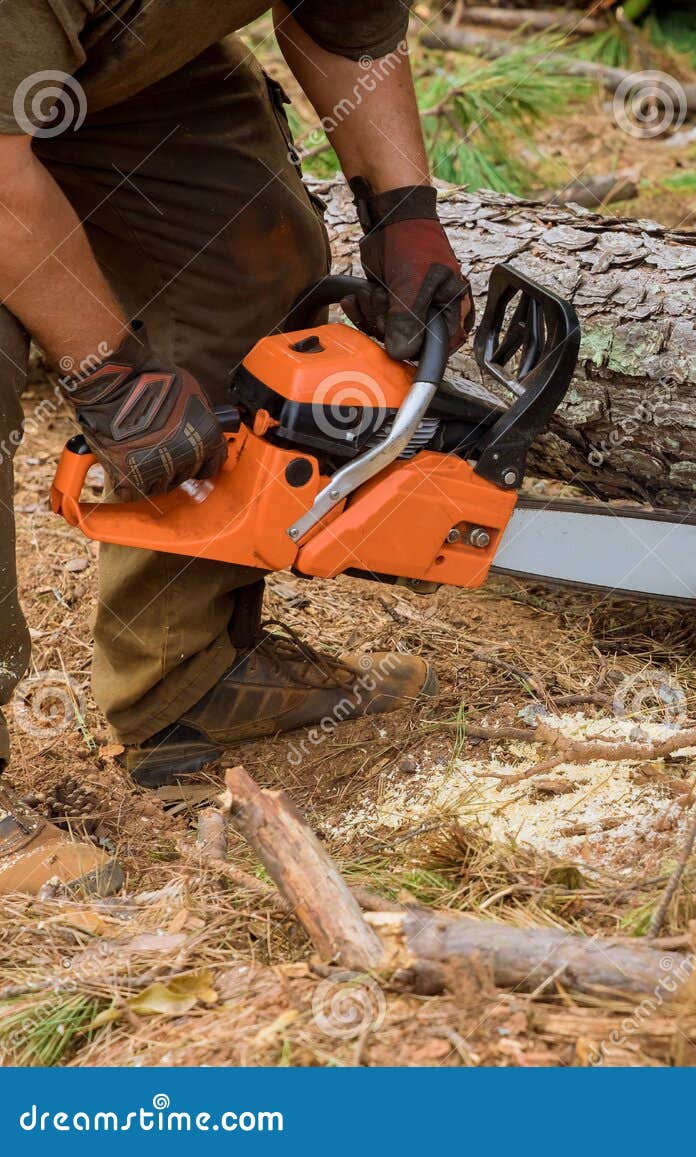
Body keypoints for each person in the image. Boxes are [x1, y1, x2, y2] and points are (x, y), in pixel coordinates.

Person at [0, 0, 473, 895]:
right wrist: (109, 371)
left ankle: (183, 674)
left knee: (241, 245)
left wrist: (403, 211)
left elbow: (345, 23)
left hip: (88, 72)